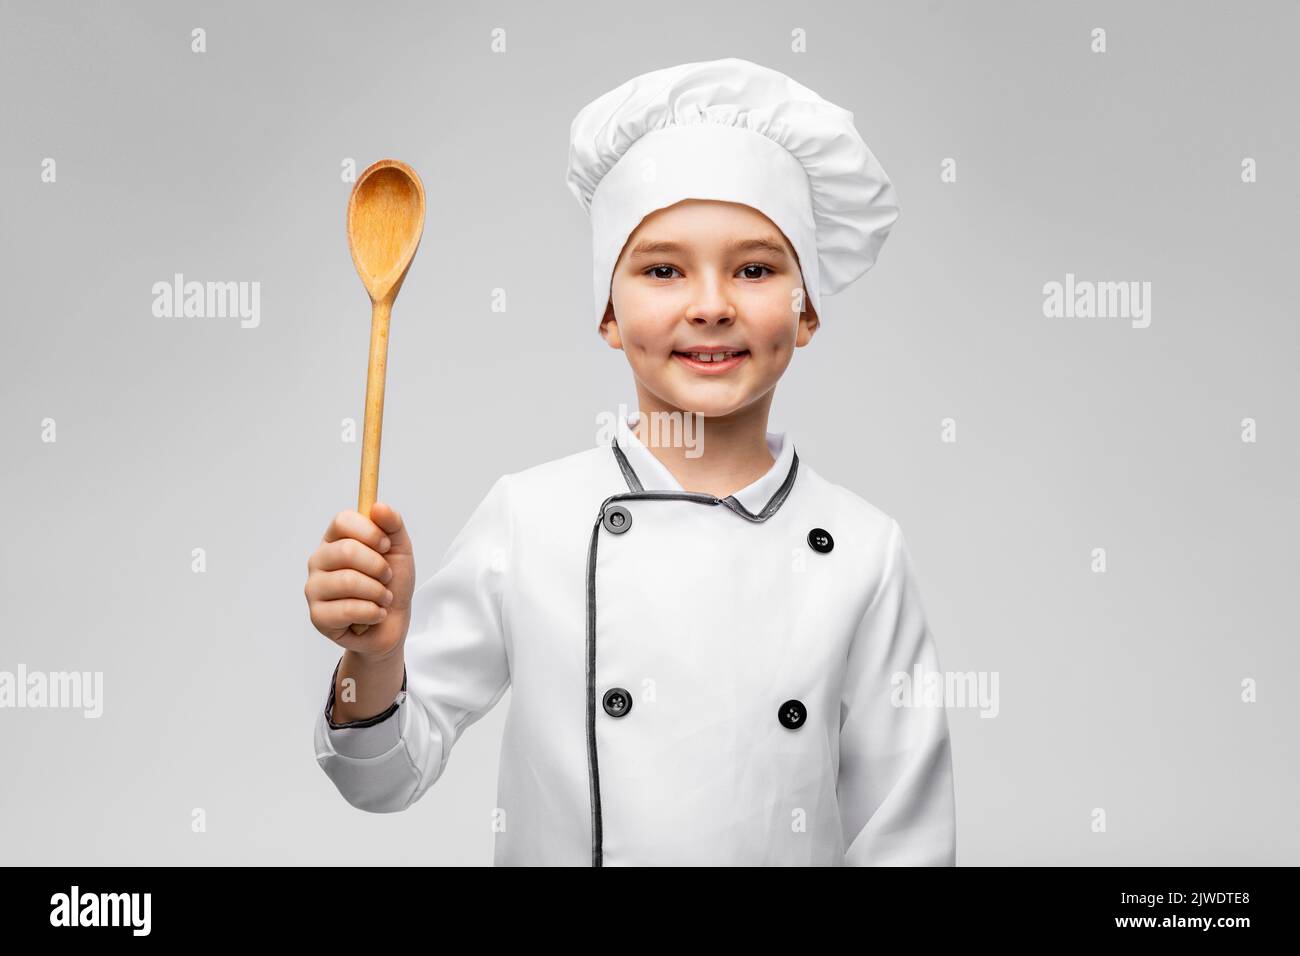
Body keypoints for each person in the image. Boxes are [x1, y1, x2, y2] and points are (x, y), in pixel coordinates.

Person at [305, 56, 956, 866]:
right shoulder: (530, 517)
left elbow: (906, 840)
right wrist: (374, 657)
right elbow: (382, 780)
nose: (711, 304)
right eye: (662, 269)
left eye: (755, 269)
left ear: (808, 307)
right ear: (609, 313)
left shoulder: (863, 551)